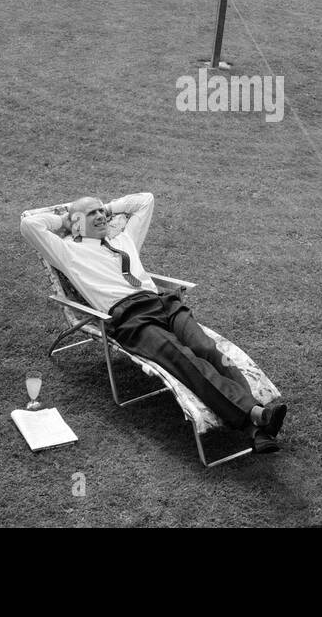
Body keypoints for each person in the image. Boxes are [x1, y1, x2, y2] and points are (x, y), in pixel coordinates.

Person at [20, 192, 287, 453]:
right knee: (185, 360)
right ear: (77, 222)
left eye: (102, 210)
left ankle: (256, 427)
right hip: (130, 319)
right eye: (92, 214)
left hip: (162, 303)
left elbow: (145, 200)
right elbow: (29, 224)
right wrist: (66, 220)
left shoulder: (124, 240)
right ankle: (256, 417)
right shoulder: (68, 252)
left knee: (206, 348)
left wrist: (109, 208)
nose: (101, 215)